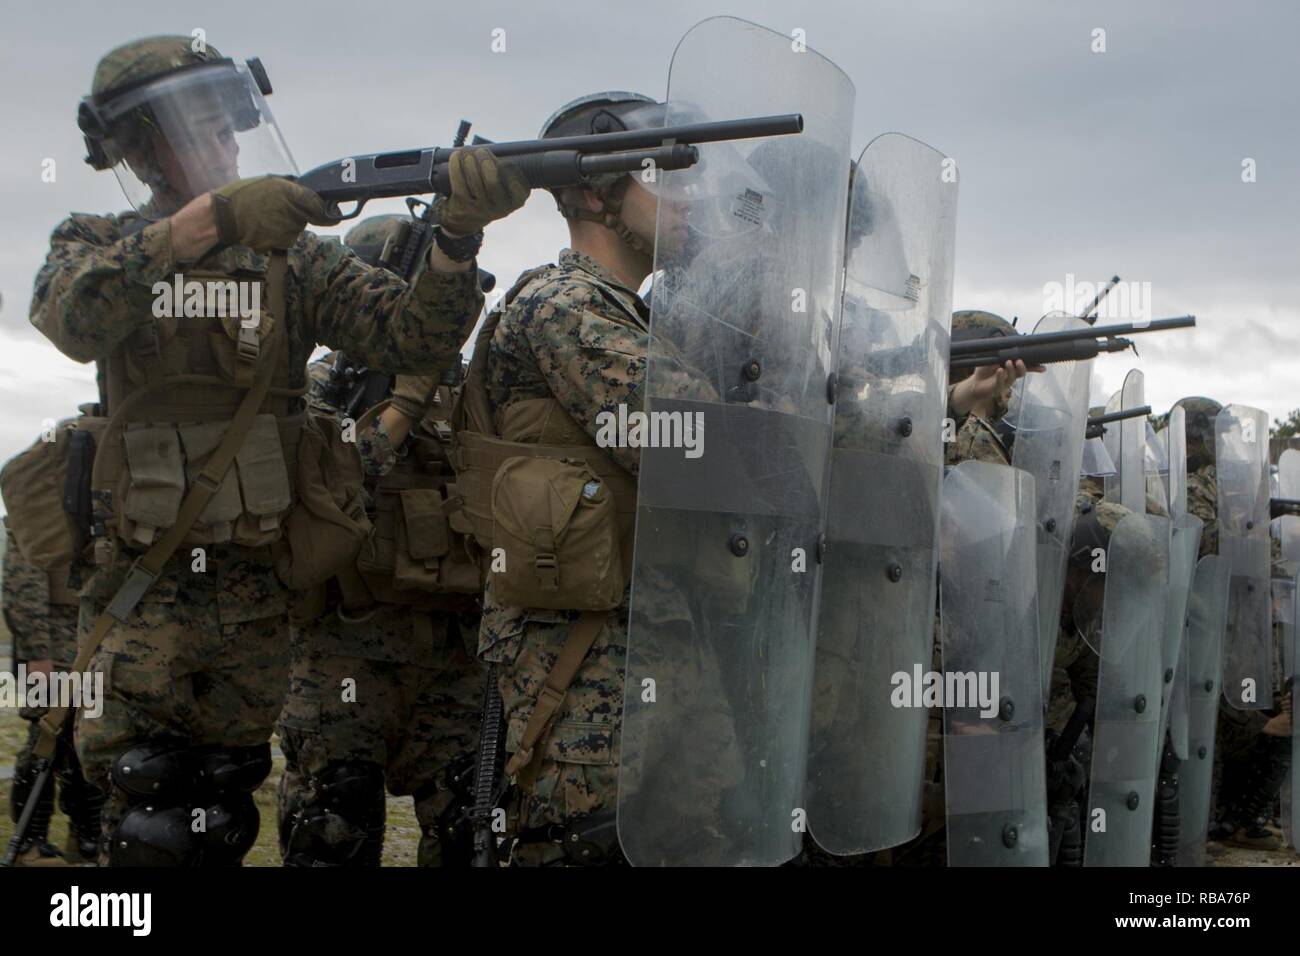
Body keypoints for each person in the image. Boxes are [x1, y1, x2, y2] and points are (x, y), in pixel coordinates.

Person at [28, 36, 527, 865]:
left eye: (232, 131)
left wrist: (456, 239)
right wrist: (206, 226)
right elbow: (70, 317)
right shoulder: (101, 241)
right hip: (143, 584)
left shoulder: (293, 263)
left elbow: (415, 336)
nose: (226, 149)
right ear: (143, 149)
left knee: (223, 804)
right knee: (152, 813)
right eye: (202, 131)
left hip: (256, 591)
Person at [276, 217, 484, 867]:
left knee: (468, 832)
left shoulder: (474, 392)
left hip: (453, 658)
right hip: (344, 654)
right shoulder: (316, 388)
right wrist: (399, 412)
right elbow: (319, 496)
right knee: (332, 831)